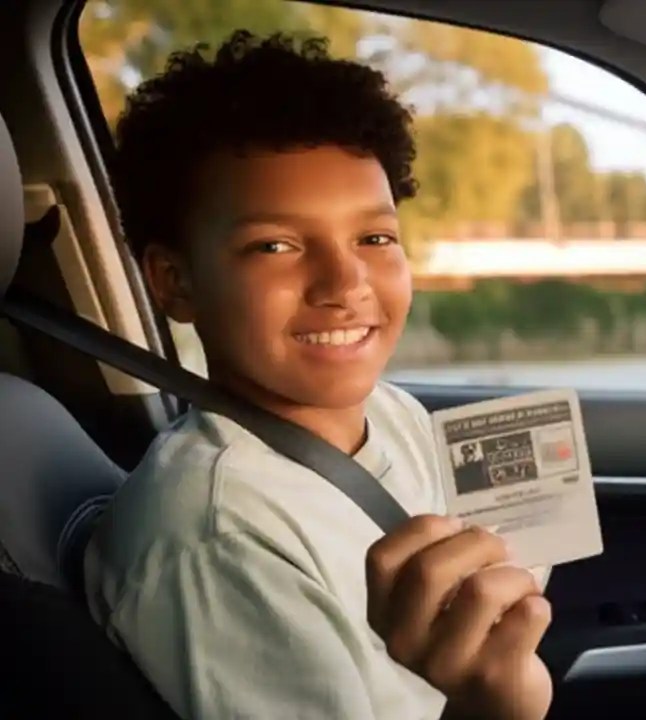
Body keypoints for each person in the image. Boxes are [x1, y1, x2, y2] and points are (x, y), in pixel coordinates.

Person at [82, 31, 551, 720]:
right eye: (275, 246)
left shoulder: (390, 411)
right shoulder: (219, 541)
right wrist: (498, 706)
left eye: (375, 238)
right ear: (174, 281)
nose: (345, 282)